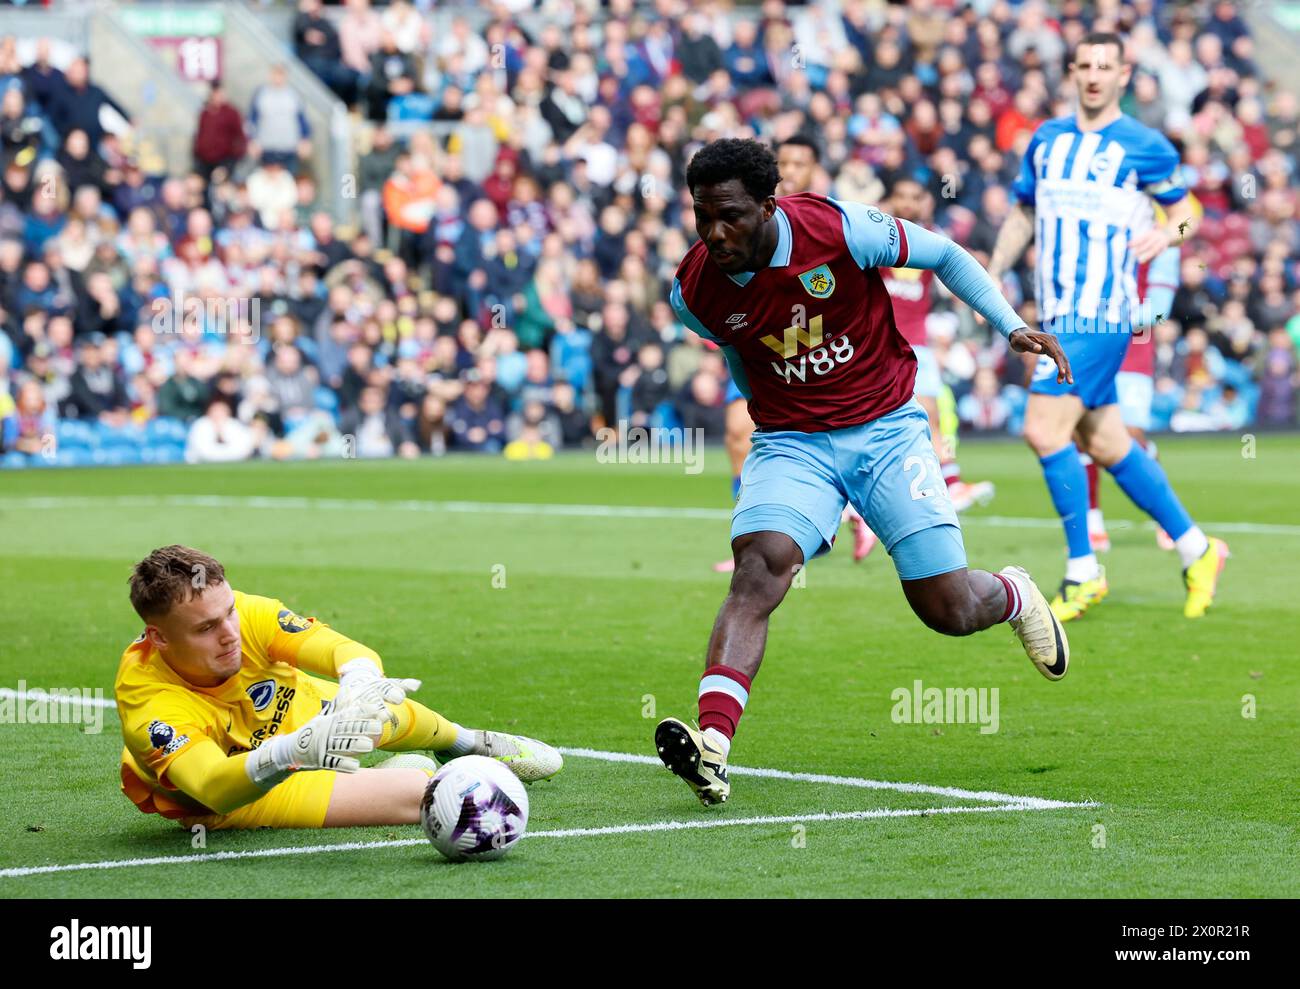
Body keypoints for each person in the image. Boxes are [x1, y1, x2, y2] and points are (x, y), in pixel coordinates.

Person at [657, 138, 1071, 806]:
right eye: (702, 215)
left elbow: (942, 253)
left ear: (768, 205)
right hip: (793, 442)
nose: (714, 232)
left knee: (948, 609)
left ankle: (1014, 593)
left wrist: (1009, 325)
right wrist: (762, 408)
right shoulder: (693, 288)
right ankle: (713, 745)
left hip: (885, 429)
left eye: (729, 215)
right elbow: (737, 347)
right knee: (760, 567)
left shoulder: (838, 228)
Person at [988, 32, 1228, 622]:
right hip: (1058, 311)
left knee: (1044, 431)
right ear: (1073, 71)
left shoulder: (1143, 145)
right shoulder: (1045, 141)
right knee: (1104, 440)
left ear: (1123, 75)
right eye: (1085, 65)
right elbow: (1023, 211)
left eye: (1106, 66)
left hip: (1103, 314)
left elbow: (1186, 213)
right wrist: (991, 271)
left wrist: (1165, 235)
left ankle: (1082, 570)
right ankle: (1198, 550)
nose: (1095, 75)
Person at [117, 545, 561, 830]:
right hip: (242, 791)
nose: (229, 632)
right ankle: (388, 776)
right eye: (208, 628)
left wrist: (359, 677)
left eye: (230, 612)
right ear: (159, 637)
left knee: (374, 705)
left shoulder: (245, 614)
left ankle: (466, 743)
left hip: (292, 718)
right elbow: (213, 786)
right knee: (435, 797)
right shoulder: (151, 703)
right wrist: (292, 752)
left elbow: (343, 651)